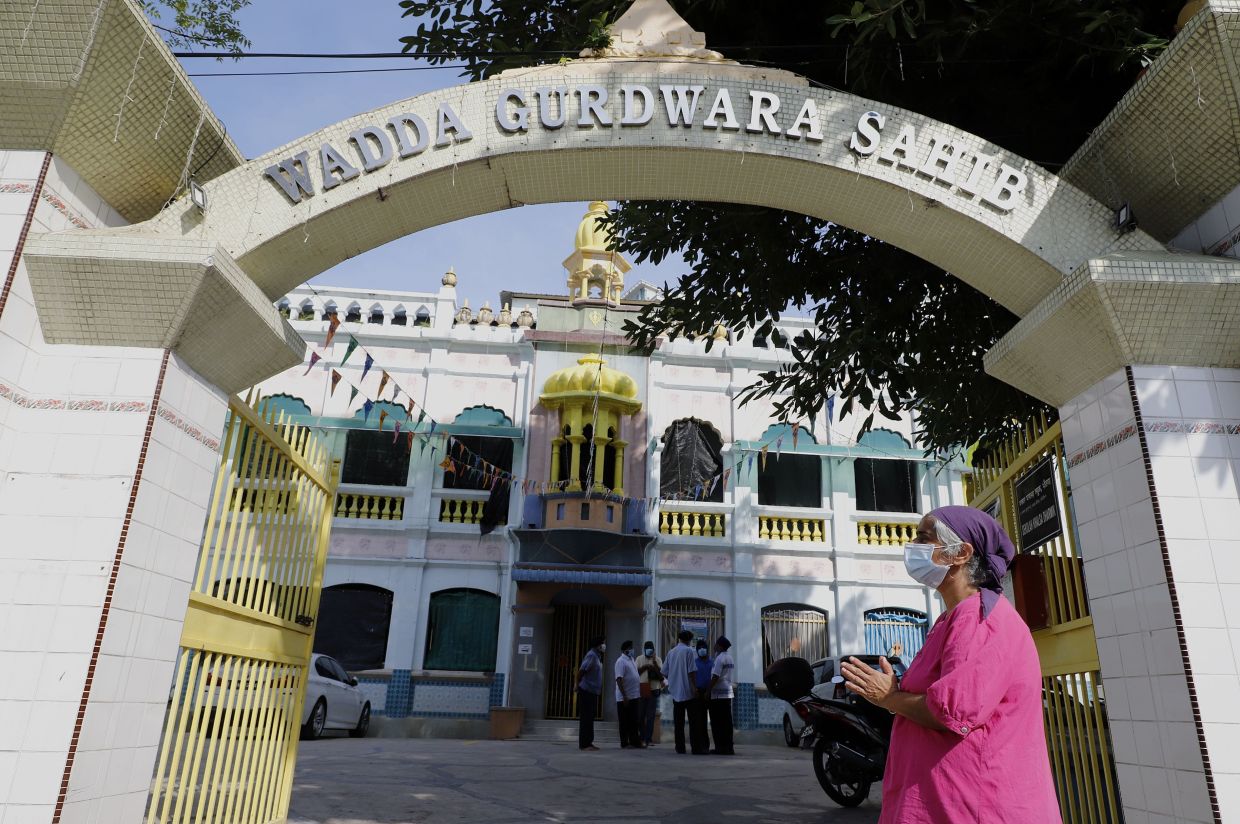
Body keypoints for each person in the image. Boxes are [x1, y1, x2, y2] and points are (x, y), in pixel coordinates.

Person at [841, 506, 1061, 824]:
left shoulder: (979, 617)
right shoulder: (953, 618)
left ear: (961, 553)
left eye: (923, 537)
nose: (913, 545)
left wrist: (889, 697)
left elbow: (952, 713)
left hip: (977, 807)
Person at [661, 630, 698, 754]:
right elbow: (692, 671)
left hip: (676, 692)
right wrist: (694, 687)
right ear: (688, 640)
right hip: (688, 692)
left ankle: (680, 747)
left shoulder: (671, 652)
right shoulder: (689, 651)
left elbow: (664, 671)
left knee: (678, 722)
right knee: (693, 721)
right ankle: (694, 746)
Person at [576, 636, 605, 752]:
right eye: (603, 643)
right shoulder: (591, 655)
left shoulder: (597, 656)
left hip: (592, 691)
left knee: (590, 717)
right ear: (598, 645)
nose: (604, 645)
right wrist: (576, 684)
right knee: (586, 717)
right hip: (586, 690)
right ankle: (584, 744)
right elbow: (581, 671)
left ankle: (589, 742)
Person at [708, 636, 735, 755]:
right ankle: (729, 747)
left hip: (718, 695)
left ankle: (720, 747)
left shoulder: (719, 658)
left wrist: (708, 690)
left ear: (719, 646)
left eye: (716, 644)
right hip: (728, 694)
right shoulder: (730, 658)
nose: (714, 646)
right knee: (727, 723)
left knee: (717, 722)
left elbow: (715, 676)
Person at [614, 640, 644, 748]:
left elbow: (634, 675)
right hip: (625, 697)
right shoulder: (620, 661)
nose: (633, 649)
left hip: (634, 695)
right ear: (626, 650)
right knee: (624, 721)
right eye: (631, 648)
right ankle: (624, 742)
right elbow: (619, 679)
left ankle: (634, 741)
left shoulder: (631, 659)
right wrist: (624, 695)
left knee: (634, 720)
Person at [635, 641, 664, 747]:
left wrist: (654, 664)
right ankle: (642, 737)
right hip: (643, 687)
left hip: (654, 689)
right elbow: (636, 672)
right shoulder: (639, 659)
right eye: (648, 648)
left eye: (651, 649)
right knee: (641, 715)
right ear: (644, 649)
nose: (650, 650)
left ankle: (648, 739)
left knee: (650, 715)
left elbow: (661, 675)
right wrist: (646, 666)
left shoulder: (658, 659)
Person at [691, 640, 713, 755]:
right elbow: (691, 677)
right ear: (697, 650)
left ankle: (706, 746)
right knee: (699, 721)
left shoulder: (712, 663)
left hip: (710, 693)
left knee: (711, 721)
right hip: (698, 693)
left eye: (704, 647)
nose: (702, 649)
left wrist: (709, 691)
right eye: (700, 648)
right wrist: (694, 689)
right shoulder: (694, 663)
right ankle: (699, 746)